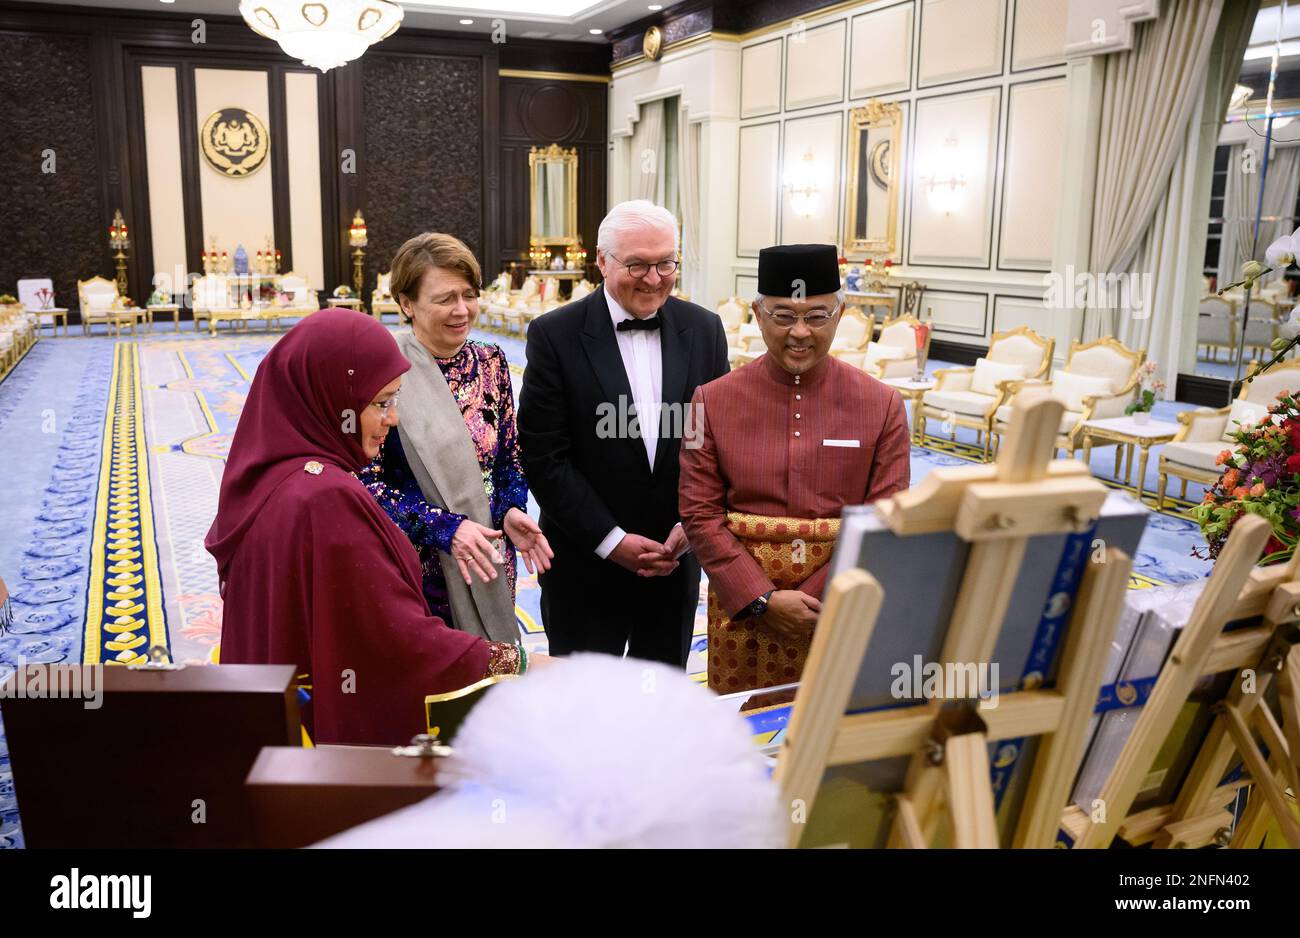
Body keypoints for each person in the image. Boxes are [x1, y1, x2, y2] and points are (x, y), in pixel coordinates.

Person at [207, 308, 541, 746]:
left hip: (274, 722)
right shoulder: (324, 498)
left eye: (395, 400)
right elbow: (394, 645)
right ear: (328, 398)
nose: (394, 418)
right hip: (323, 748)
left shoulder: (273, 476)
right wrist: (516, 664)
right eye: (380, 403)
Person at [679, 243, 911, 693]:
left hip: (844, 604)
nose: (800, 332)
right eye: (784, 316)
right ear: (758, 314)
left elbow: (887, 518)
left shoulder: (881, 405)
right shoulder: (710, 401)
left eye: (817, 316)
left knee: (837, 737)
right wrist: (762, 599)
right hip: (742, 612)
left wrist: (815, 598)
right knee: (743, 738)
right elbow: (698, 513)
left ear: (840, 313)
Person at [518, 200, 730, 667]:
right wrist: (612, 541)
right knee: (584, 715)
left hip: (675, 562)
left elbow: (720, 443)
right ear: (602, 261)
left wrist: (689, 528)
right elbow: (543, 455)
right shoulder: (555, 334)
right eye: (637, 264)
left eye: (666, 263)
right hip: (585, 566)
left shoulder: (705, 329)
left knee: (660, 712)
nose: (654, 279)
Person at [358, 233, 550, 643]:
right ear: (407, 303)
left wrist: (512, 509)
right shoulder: (380, 368)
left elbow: (509, 457)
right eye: (445, 298)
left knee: (491, 678)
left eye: (469, 294)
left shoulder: (491, 361)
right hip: (419, 564)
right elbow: (365, 485)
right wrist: (446, 528)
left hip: (488, 554)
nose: (461, 310)